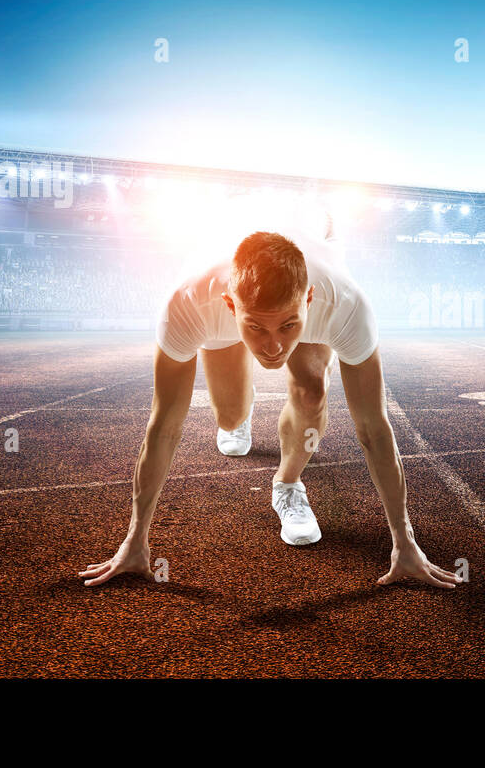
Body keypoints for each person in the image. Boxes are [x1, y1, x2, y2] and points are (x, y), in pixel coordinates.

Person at [79, 229, 460, 589]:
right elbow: (163, 426)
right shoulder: (190, 304)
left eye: (288, 325)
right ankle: (238, 412)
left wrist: (404, 540)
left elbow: (374, 430)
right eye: (257, 328)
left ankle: (288, 484)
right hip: (219, 306)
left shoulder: (345, 306)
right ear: (231, 305)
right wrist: (135, 538)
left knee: (312, 391)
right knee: (229, 414)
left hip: (312, 282)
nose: (275, 347)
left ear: (308, 299)